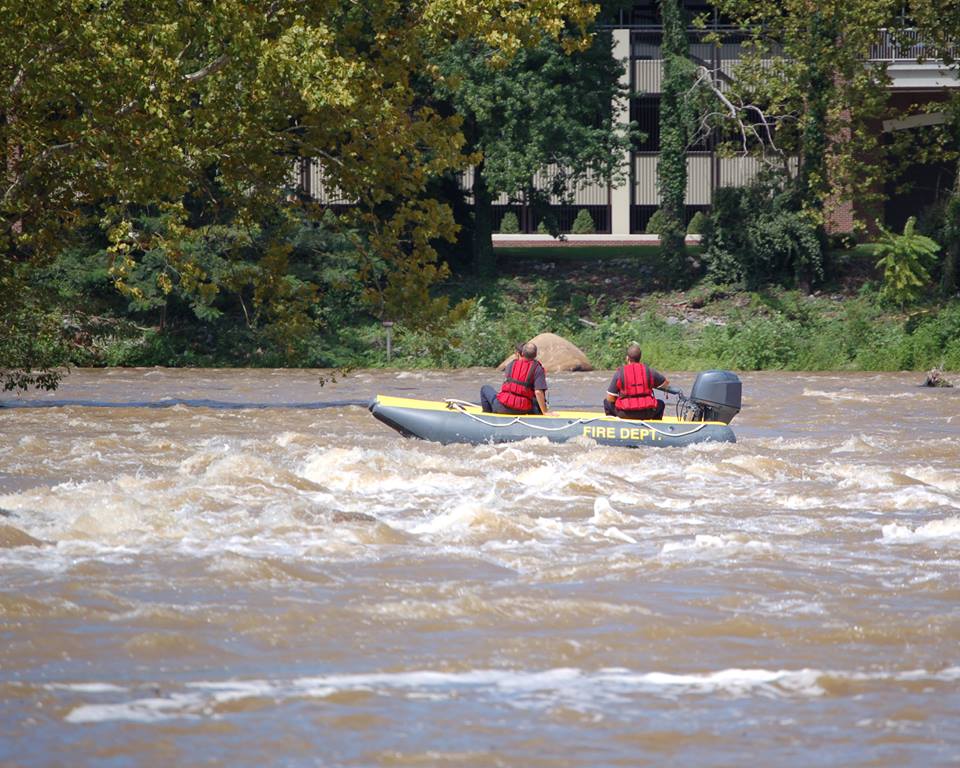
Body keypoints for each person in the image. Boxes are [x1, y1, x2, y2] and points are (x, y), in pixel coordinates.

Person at [480, 342, 550, 415]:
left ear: (522, 353)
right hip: (523, 410)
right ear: (535, 355)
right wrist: (544, 411)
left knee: (485, 388)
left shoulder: (510, 365)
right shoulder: (538, 368)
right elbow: (538, 392)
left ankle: (487, 415)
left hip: (502, 406)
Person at [604, 343, 669, 420]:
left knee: (606, 402)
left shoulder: (620, 373)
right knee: (661, 404)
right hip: (647, 412)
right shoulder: (649, 371)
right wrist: (650, 384)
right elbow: (665, 384)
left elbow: (610, 398)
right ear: (640, 358)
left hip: (624, 413)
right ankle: (654, 428)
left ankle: (613, 426)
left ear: (627, 358)